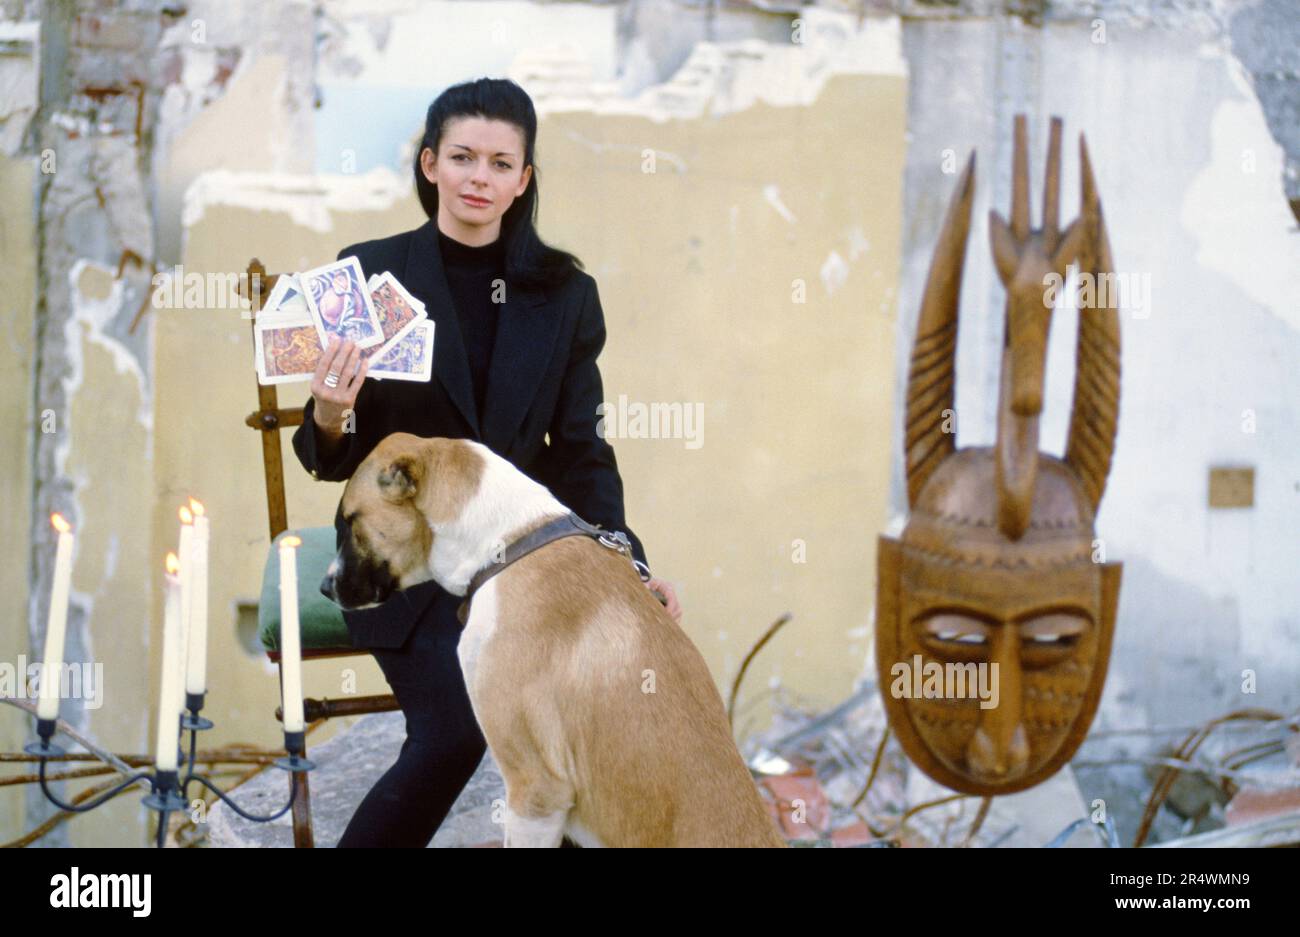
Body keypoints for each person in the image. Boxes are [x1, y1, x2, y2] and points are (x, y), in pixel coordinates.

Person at [291, 77, 681, 847]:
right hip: (404, 568)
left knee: (585, 725)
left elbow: (582, 452)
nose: (481, 177)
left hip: (522, 570)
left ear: (524, 179)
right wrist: (333, 411)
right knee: (458, 733)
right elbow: (330, 461)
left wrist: (627, 562)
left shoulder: (566, 294)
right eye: (463, 156)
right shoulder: (370, 274)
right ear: (430, 163)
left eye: (502, 163)